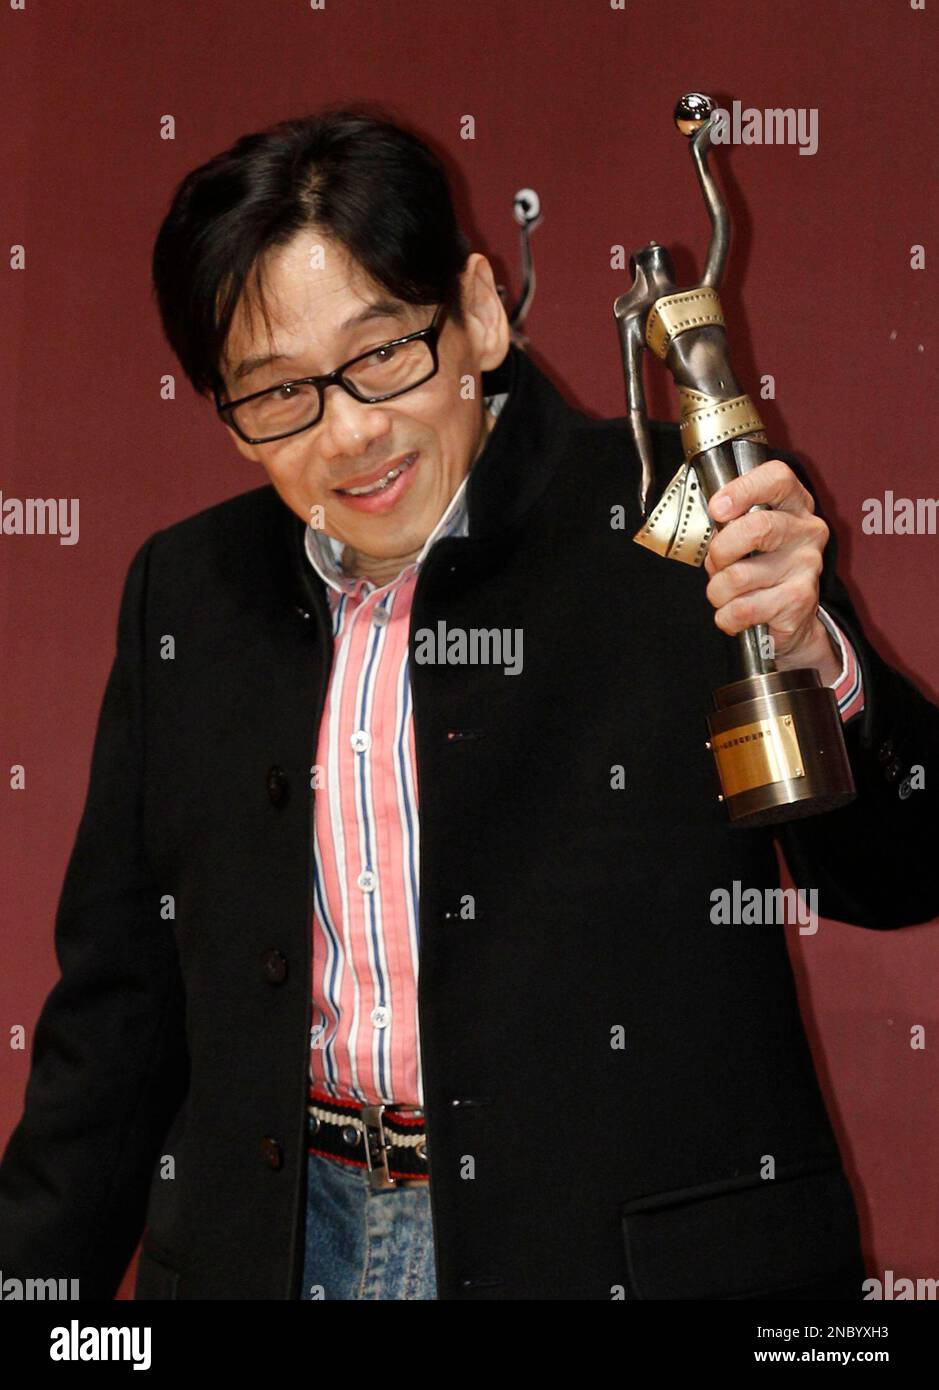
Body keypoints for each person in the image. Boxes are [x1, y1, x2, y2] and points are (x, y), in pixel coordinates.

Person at [1, 104, 936, 1301]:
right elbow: (118, 1019)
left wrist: (809, 649)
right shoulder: (186, 591)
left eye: (383, 351)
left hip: (616, 1256)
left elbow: (907, 863)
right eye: (278, 394)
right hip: (283, 1250)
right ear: (228, 416)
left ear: (481, 309)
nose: (349, 432)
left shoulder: (679, 519)